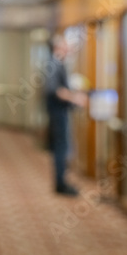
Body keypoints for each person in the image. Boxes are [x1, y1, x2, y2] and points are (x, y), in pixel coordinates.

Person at [43, 33, 88, 196]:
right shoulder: (54, 64)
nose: (68, 48)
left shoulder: (58, 63)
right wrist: (75, 97)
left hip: (59, 112)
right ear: (58, 47)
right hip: (57, 113)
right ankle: (60, 184)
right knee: (61, 147)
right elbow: (55, 90)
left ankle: (62, 181)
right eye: (65, 45)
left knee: (62, 147)